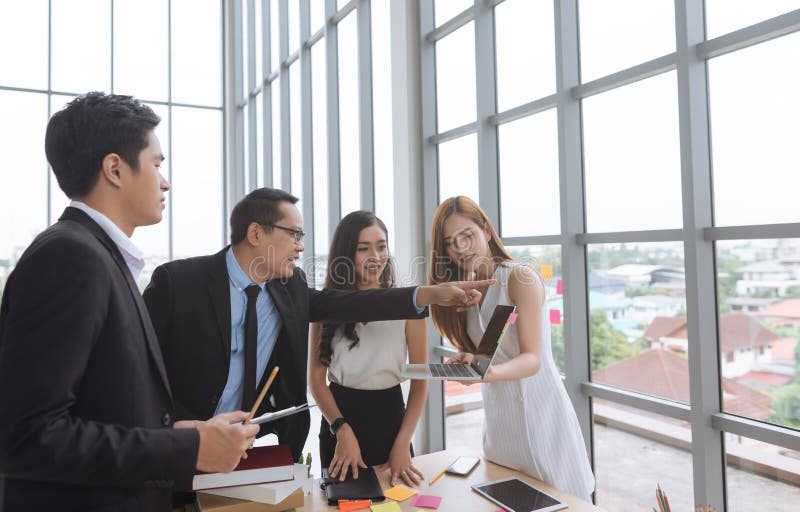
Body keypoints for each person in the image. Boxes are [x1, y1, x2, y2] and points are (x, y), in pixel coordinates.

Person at [0, 92, 259, 512]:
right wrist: (187, 448)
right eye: (157, 164)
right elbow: (29, 437)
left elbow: (99, 407)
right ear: (115, 169)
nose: (165, 181)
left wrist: (184, 432)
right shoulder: (71, 258)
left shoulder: (97, 256)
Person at [142, 188, 490, 463]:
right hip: (177, 445)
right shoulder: (178, 283)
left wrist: (429, 295)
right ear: (256, 234)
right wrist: (181, 432)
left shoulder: (290, 288)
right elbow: (139, 373)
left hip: (250, 446)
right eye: (293, 234)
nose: (301, 246)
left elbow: (355, 303)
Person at [428, 196, 595, 501]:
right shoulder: (469, 291)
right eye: (451, 242)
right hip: (501, 425)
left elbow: (532, 359)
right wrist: (471, 360)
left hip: (541, 417)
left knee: (563, 501)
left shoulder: (519, 278)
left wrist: (485, 372)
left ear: (487, 232)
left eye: (468, 236)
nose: (461, 248)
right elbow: (487, 355)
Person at [310, 211, 428, 487]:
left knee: (398, 503)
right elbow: (316, 381)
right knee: (344, 504)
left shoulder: (407, 305)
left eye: (382, 246)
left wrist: (403, 442)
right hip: (339, 422)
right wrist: (341, 429)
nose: (376, 256)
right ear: (346, 254)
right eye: (363, 248)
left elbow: (421, 382)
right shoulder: (325, 305)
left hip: (392, 423)